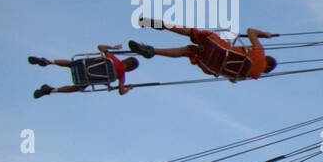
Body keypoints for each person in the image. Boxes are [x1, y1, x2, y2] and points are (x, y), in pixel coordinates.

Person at [128, 20, 276, 81]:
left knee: (195, 34)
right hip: (210, 66)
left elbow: (251, 31)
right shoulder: (253, 75)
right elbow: (232, 78)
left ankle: (164, 25)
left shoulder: (259, 52)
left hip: (219, 49)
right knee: (188, 51)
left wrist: (264, 34)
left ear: (267, 62)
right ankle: (153, 51)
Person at [30, 44, 140, 98]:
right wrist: (128, 88)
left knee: (71, 64)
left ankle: (49, 61)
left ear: (125, 59)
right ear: (130, 70)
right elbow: (121, 92)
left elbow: (100, 46)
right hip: (87, 79)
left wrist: (112, 48)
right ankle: (50, 90)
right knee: (77, 88)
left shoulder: (112, 58)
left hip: (82, 66)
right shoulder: (122, 76)